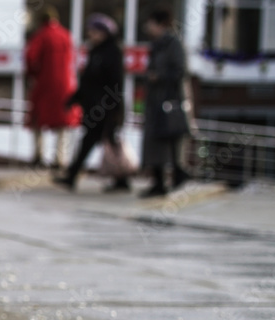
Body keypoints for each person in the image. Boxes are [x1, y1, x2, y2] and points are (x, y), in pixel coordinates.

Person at [54, 14, 128, 192]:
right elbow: (87, 81)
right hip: (94, 107)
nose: (90, 34)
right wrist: (74, 99)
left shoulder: (112, 52)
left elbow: (116, 84)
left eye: (93, 31)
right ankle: (74, 176)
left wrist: (112, 108)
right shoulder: (95, 52)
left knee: (107, 144)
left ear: (104, 32)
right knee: (94, 142)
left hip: (107, 109)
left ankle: (121, 179)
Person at [140, 7, 191, 198]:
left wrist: (159, 77)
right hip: (155, 102)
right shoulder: (156, 45)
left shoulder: (173, 44)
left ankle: (171, 178)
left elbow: (180, 71)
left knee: (166, 141)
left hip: (168, 103)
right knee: (156, 143)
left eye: (150, 23)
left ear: (160, 24)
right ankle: (160, 181)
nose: (147, 27)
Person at [25, 6, 80, 170]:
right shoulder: (66, 35)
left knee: (38, 119)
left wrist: (32, 74)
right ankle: (60, 158)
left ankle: (39, 155)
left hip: (45, 84)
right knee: (63, 121)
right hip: (66, 85)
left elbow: (30, 57)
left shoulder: (41, 35)